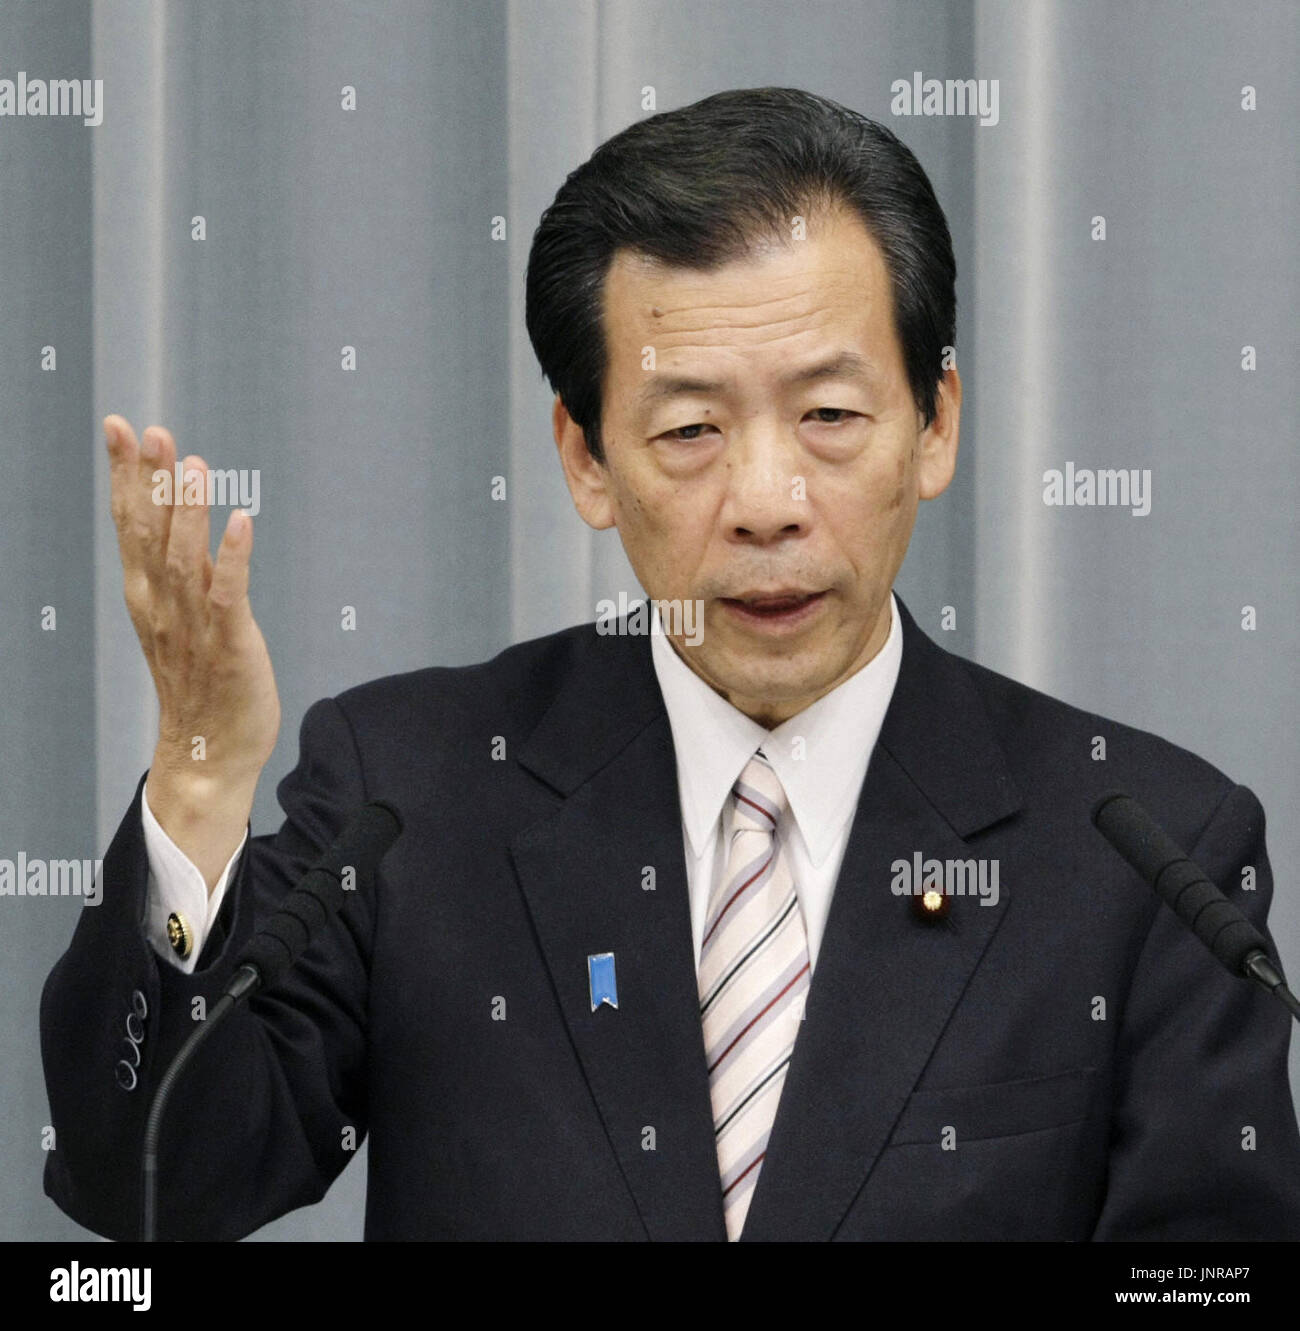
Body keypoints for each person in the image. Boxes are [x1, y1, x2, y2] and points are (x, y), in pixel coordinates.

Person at [41, 86, 1300, 1241]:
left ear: (935, 424)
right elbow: (150, 1187)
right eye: (690, 428)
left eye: (830, 416)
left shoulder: (1146, 852)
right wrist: (200, 786)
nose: (766, 501)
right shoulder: (413, 792)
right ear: (586, 457)